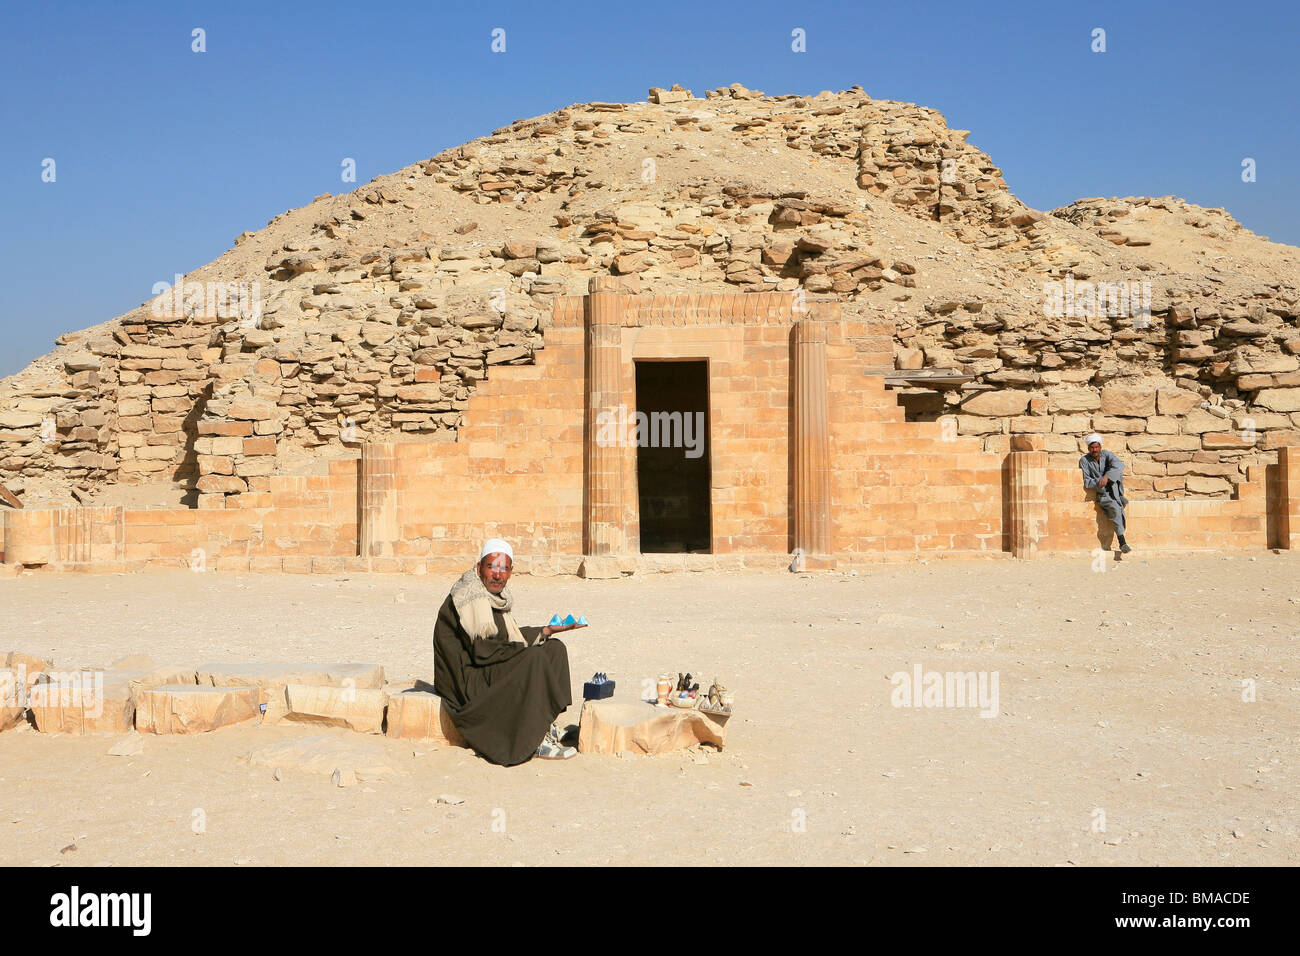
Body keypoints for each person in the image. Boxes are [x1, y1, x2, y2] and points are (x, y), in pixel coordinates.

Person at [433, 538, 586, 764]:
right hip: (466, 682)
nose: (498, 574)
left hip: (484, 665)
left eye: (504, 568)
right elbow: (484, 652)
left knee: (553, 649)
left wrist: (546, 631)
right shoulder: (471, 595)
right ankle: (532, 740)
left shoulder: (494, 598)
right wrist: (526, 652)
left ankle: (543, 724)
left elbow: (504, 637)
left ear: (511, 571)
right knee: (533, 658)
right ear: (479, 569)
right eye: (492, 567)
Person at [1079, 433, 1131, 553]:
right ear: (1088, 449)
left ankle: (1119, 497)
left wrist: (1107, 477)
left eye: (1097, 447)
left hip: (1114, 487)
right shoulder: (1084, 461)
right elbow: (1087, 481)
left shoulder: (1107, 454)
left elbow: (1119, 465)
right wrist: (1100, 482)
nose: (1095, 450)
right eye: (1092, 448)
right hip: (1102, 493)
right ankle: (1122, 541)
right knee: (1115, 509)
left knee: (1117, 473)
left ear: (1100, 447)